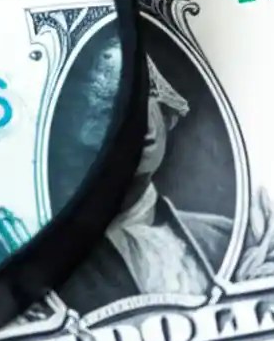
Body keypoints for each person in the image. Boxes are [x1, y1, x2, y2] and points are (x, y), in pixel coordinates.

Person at [59, 48, 233, 319]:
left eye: (148, 102)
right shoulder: (58, 266)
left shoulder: (219, 238)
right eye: (111, 109)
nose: (146, 127)